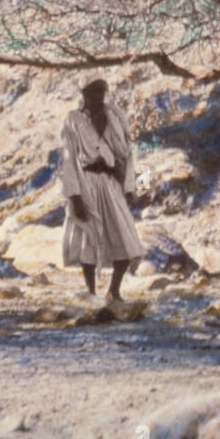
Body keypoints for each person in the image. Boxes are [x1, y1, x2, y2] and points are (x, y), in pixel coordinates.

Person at [59, 79, 145, 301]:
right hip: (86, 181)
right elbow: (68, 159)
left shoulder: (115, 116)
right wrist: (75, 196)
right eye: (94, 91)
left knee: (126, 239)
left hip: (110, 180)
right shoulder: (73, 120)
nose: (99, 96)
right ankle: (90, 291)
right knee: (89, 237)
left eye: (102, 91)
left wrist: (128, 187)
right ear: (85, 94)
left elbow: (126, 153)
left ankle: (113, 291)